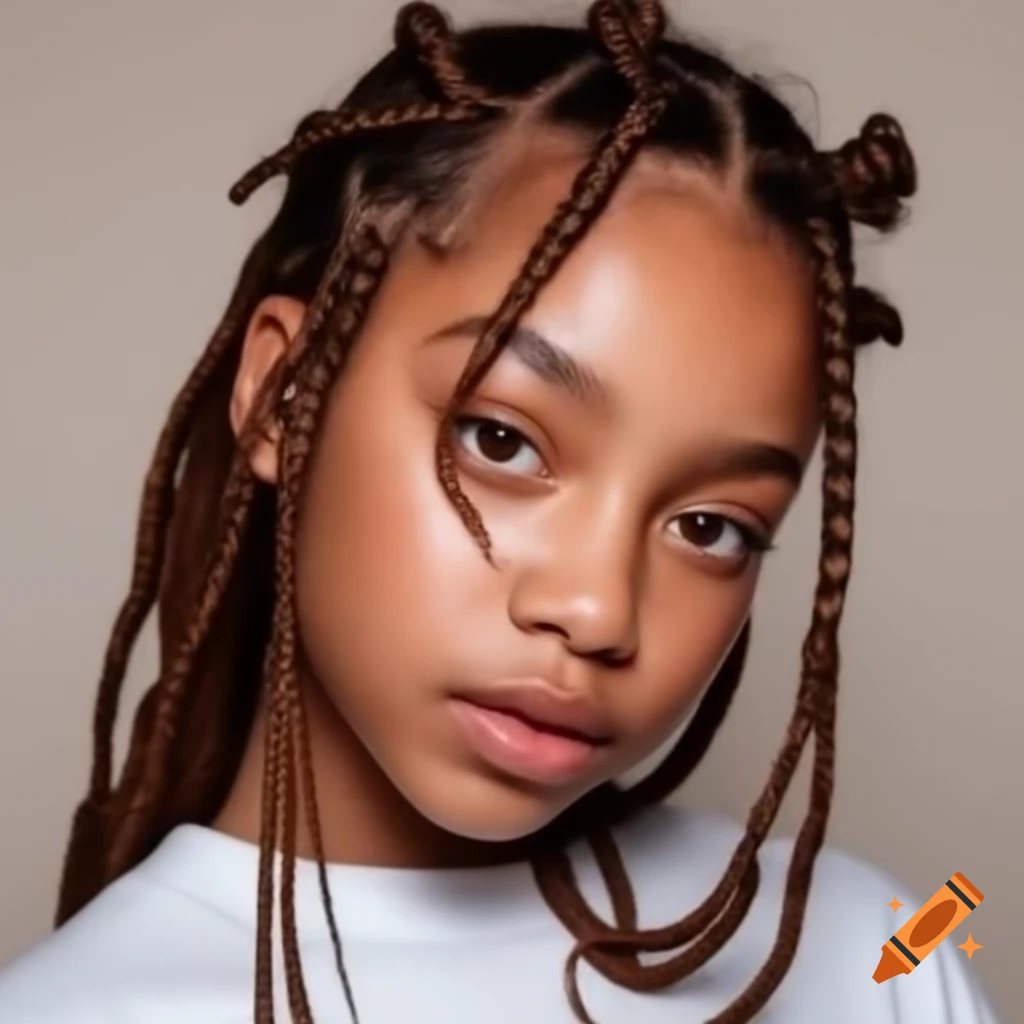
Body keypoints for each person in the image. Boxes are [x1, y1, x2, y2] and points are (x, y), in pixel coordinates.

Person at [0, 2, 999, 1022]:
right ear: (285, 392)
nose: (599, 611)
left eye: (711, 525)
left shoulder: (875, 952)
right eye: (502, 440)